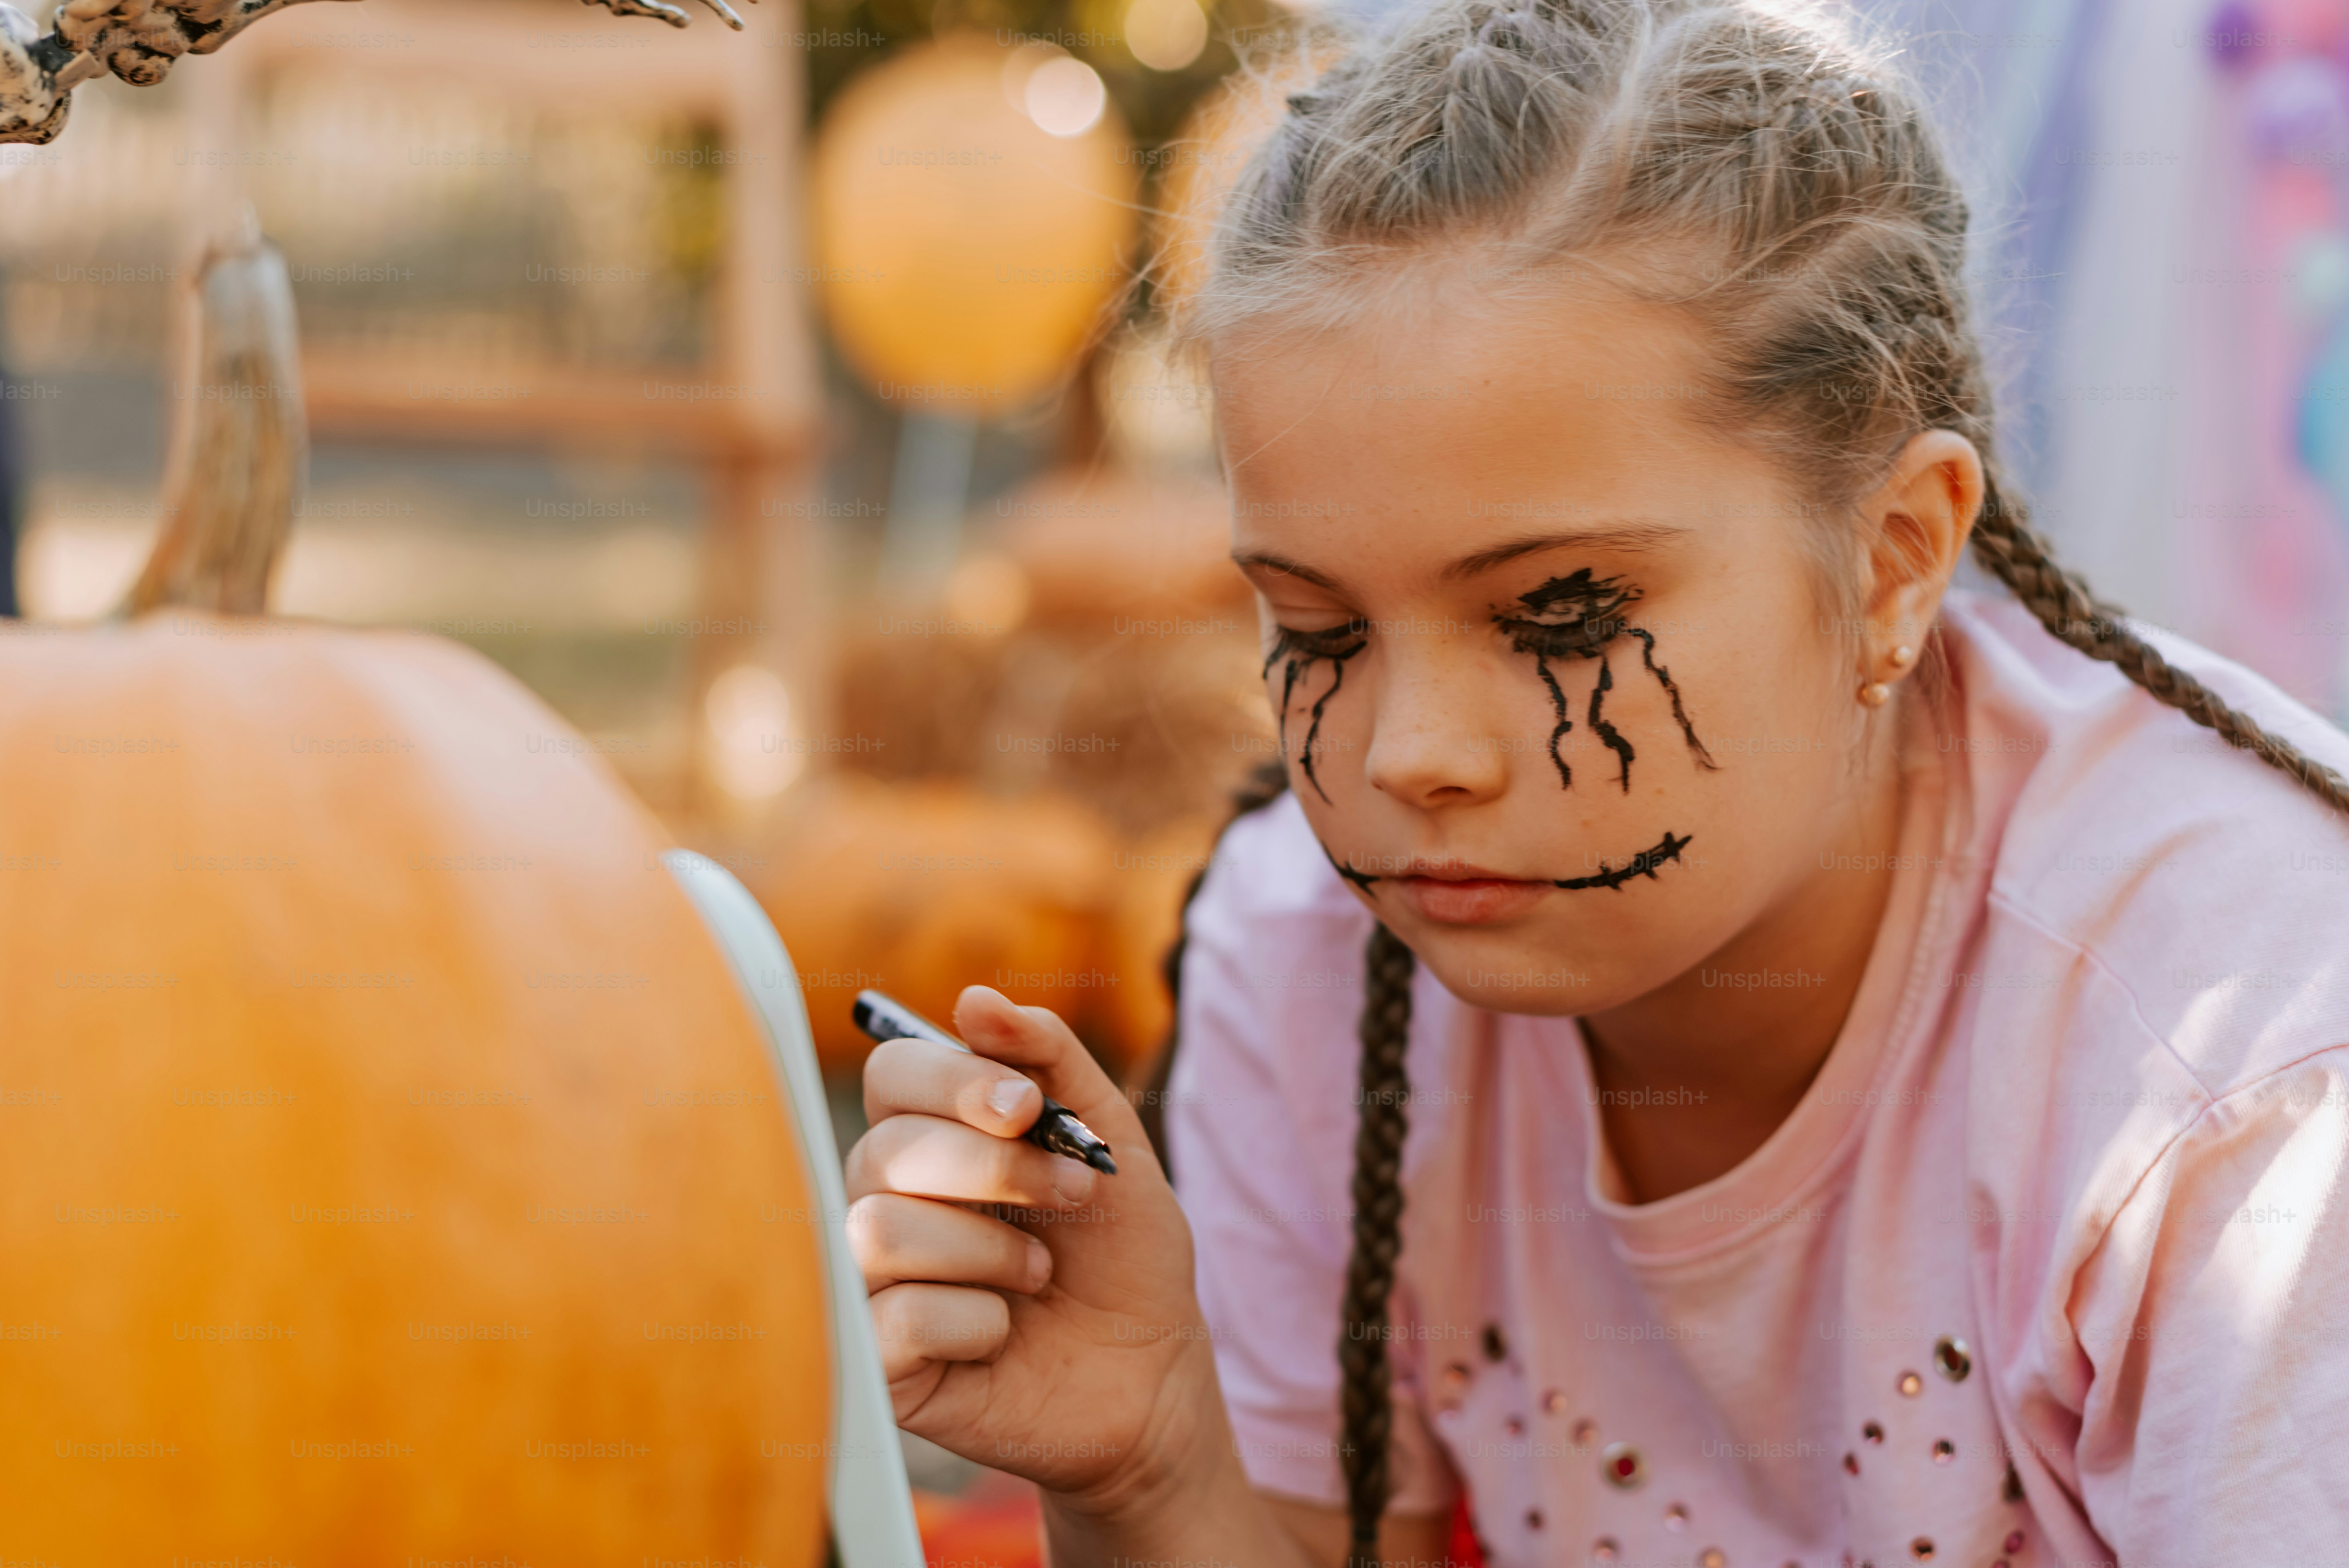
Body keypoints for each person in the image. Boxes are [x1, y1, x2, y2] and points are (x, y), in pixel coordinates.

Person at [841, 3, 2349, 1565]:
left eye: (1562, 614)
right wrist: (1151, 1474)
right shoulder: (1304, 946)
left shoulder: (2244, 1085)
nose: (1409, 752)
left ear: (1895, 561)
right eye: (1321, 626)